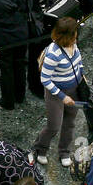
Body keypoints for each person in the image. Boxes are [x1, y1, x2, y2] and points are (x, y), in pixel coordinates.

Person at [32, 16, 83, 167]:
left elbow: (79, 63)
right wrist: (62, 96)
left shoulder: (73, 45)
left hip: (74, 89)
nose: (76, 36)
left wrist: (82, 77)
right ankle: (40, 149)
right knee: (54, 126)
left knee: (70, 123)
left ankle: (64, 151)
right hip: (56, 94)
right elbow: (45, 79)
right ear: (68, 35)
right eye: (75, 33)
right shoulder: (53, 53)